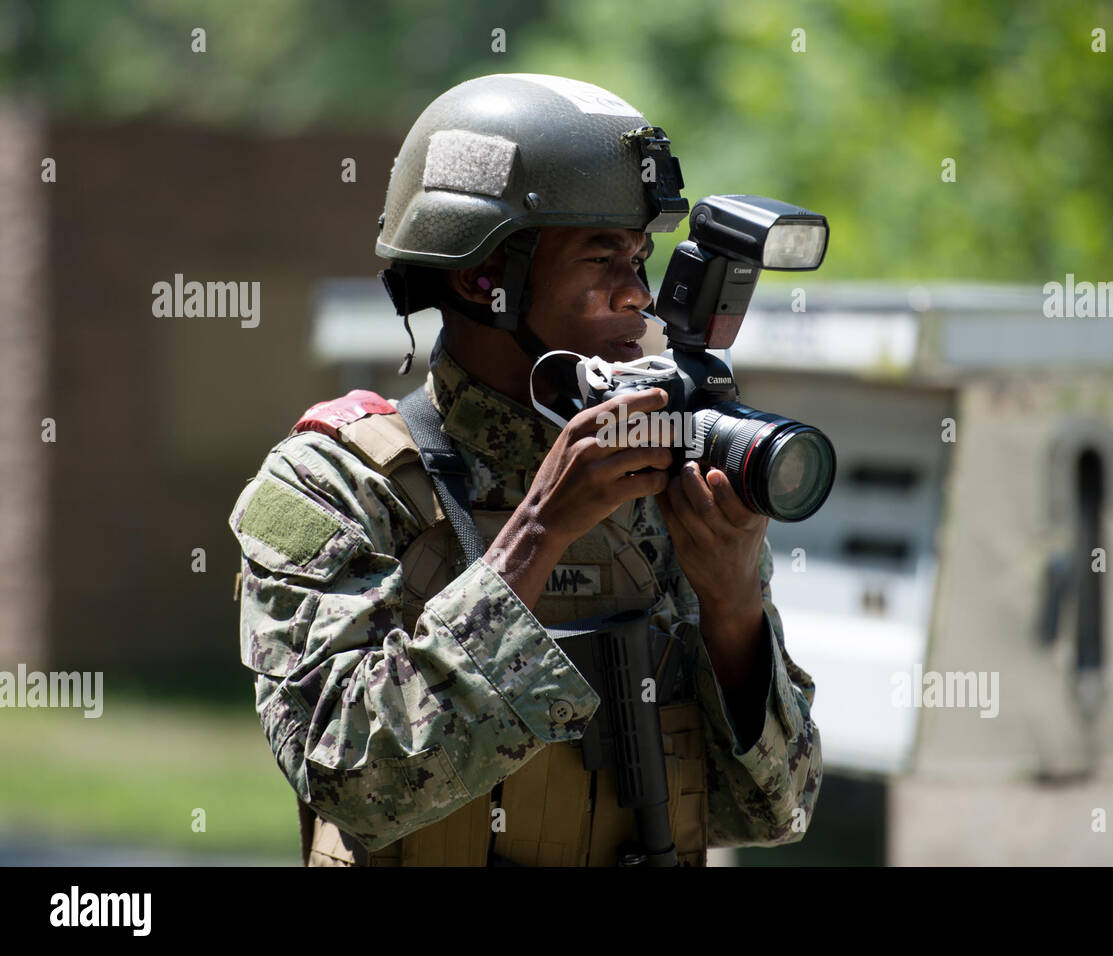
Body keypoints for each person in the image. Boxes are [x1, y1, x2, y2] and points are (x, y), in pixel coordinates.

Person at [228, 73, 822, 867]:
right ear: (483, 278)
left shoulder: (659, 486)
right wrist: (538, 533)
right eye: (602, 256)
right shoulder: (335, 487)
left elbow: (774, 809)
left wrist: (733, 607)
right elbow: (353, 782)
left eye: (641, 257)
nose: (638, 297)